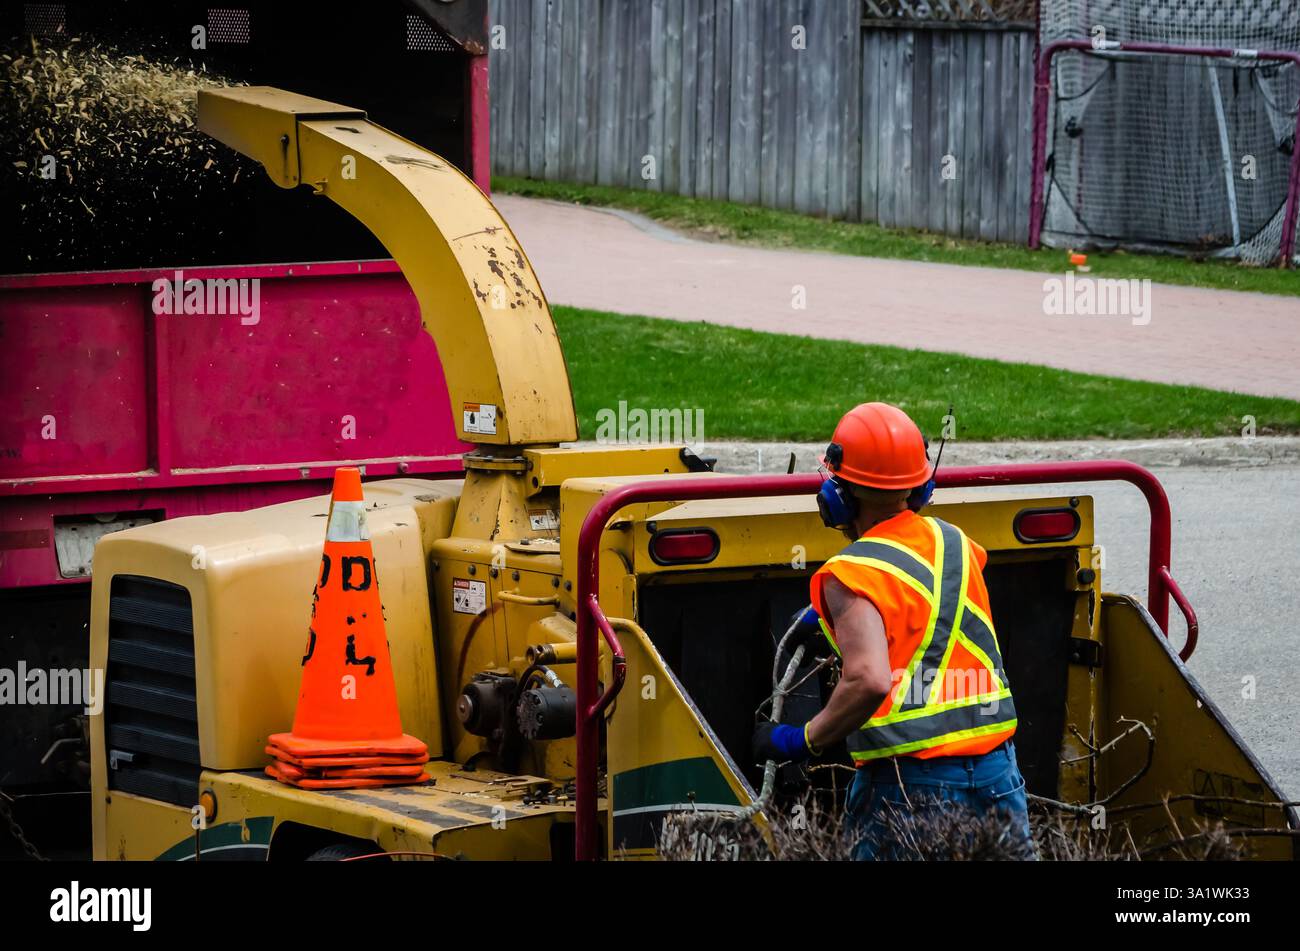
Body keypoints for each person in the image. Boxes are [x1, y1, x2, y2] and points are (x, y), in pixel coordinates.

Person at [753, 401, 1033, 859]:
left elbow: (870, 679)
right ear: (921, 487)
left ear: (837, 499)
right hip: (998, 777)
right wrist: (829, 622)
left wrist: (799, 740)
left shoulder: (848, 573)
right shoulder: (957, 544)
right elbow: (927, 622)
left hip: (911, 790)